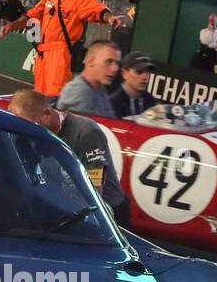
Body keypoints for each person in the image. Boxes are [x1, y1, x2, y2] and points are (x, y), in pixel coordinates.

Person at [0, 0, 122, 97]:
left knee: (53, 101)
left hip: (61, 56)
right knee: (38, 98)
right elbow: (33, 15)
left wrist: (109, 17)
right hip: (42, 54)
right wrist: (12, 26)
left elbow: (96, 9)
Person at [8, 88, 129, 226]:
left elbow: (95, 187)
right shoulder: (29, 134)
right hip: (65, 208)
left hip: (107, 212)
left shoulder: (86, 132)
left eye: (31, 126)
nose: (27, 133)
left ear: (47, 114)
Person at [54, 40, 120, 118]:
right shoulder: (79, 91)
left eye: (117, 63)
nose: (115, 68)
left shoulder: (99, 87)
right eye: (108, 61)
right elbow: (82, 129)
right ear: (90, 61)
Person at [110, 51, 159, 118]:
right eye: (139, 71)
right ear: (124, 74)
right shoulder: (113, 103)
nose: (145, 76)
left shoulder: (151, 101)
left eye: (148, 72)